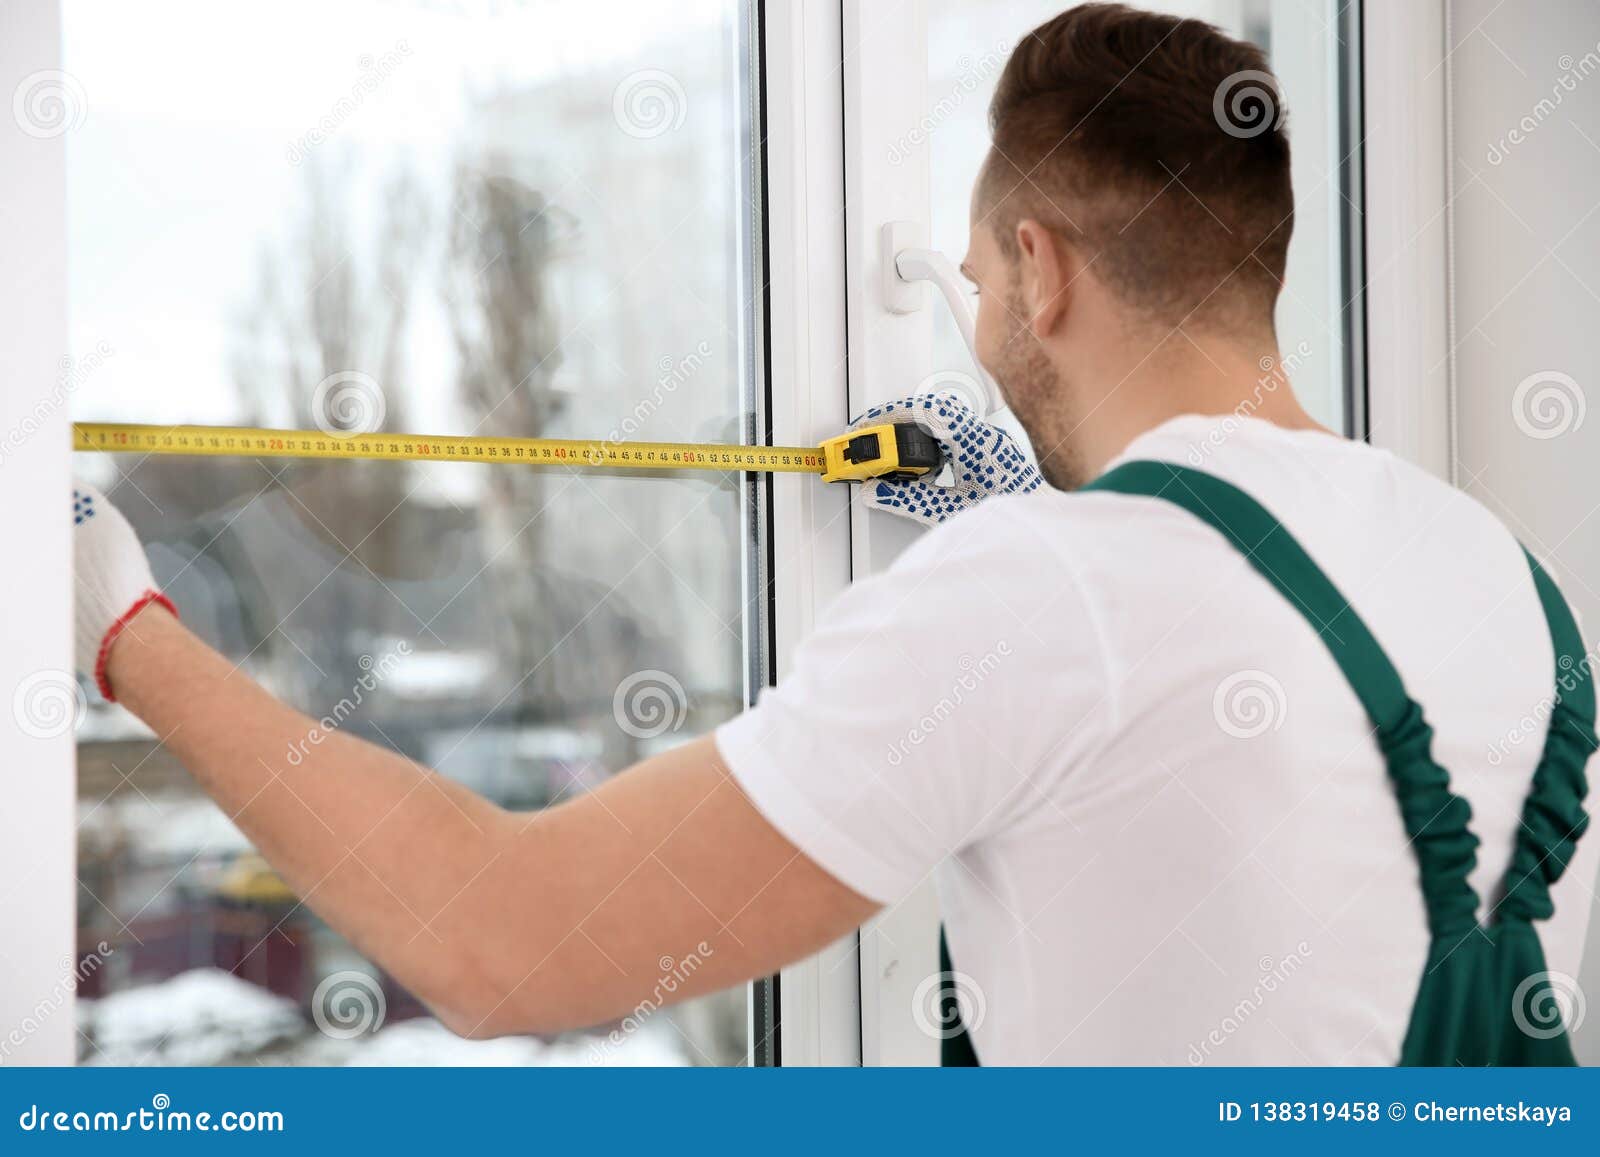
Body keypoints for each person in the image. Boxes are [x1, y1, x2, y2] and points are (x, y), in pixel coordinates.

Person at [71, 3, 1596, 1066]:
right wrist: (1052, 542)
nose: (990, 332)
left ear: (1037, 268)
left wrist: (128, 638)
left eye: (989, 291)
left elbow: (503, 937)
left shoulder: (1058, 592)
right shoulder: (1504, 583)